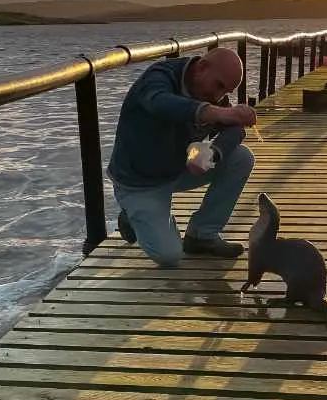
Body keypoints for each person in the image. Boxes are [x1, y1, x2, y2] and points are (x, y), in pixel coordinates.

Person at [107, 47, 257, 267]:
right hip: (139, 182)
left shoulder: (210, 93)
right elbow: (160, 103)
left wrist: (212, 153)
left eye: (225, 92)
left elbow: (234, 128)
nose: (219, 97)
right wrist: (218, 113)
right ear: (202, 67)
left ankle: (202, 235)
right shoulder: (158, 77)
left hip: (177, 166)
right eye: (218, 86)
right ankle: (131, 214)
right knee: (169, 256)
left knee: (241, 159)